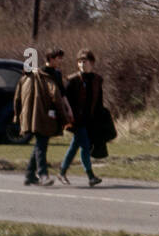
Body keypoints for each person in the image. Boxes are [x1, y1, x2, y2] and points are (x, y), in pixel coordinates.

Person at [15, 48, 70, 186]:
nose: (60, 61)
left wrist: (68, 109)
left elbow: (61, 94)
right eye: (58, 58)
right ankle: (43, 174)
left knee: (41, 143)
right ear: (50, 59)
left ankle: (29, 175)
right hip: (39, 114)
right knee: (41, 143)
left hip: (51, 115)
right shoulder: (38, 74)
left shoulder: (57, 74)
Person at [57, 49, 105, 187]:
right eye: (80, 62)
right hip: (76, 119)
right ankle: (90, 176)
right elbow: (64, 98)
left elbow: (99, 101)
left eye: (85, 61)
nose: (82, 64)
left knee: (74, 146)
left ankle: (62, 172)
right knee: (84, 146)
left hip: (89, 119)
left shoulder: (97, 80)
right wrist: (68, 115)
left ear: (92, 63)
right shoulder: (73, 80)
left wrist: (99, 118)